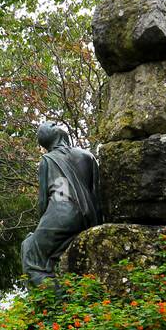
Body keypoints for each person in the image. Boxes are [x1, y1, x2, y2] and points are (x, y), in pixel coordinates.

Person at [20, 121, 100, 286]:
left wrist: (41, 230)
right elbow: (97, 193)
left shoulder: (47, 160)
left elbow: (43, 202)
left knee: (30, 251)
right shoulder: (87, 156)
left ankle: (54, 302)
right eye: (52, 124)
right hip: (88, 217)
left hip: (60, 214)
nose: (55, 123)